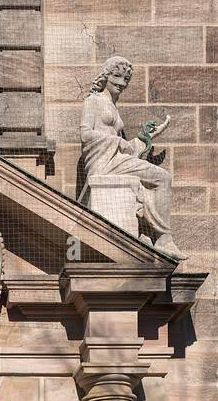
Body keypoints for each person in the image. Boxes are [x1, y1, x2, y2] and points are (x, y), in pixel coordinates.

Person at [79, 55, 185, 260]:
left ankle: (157, 236)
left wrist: (149, 136)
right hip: (103, 163)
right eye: (117, 76)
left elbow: (128, 150)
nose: (121, 82)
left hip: (115, 160)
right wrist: (117, 142)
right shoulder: (93, 101)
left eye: (125, 79)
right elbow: (85, 134)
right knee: (162, 178)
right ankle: (163, 238)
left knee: (162, 178)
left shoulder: (114, 109)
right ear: (106, 76)